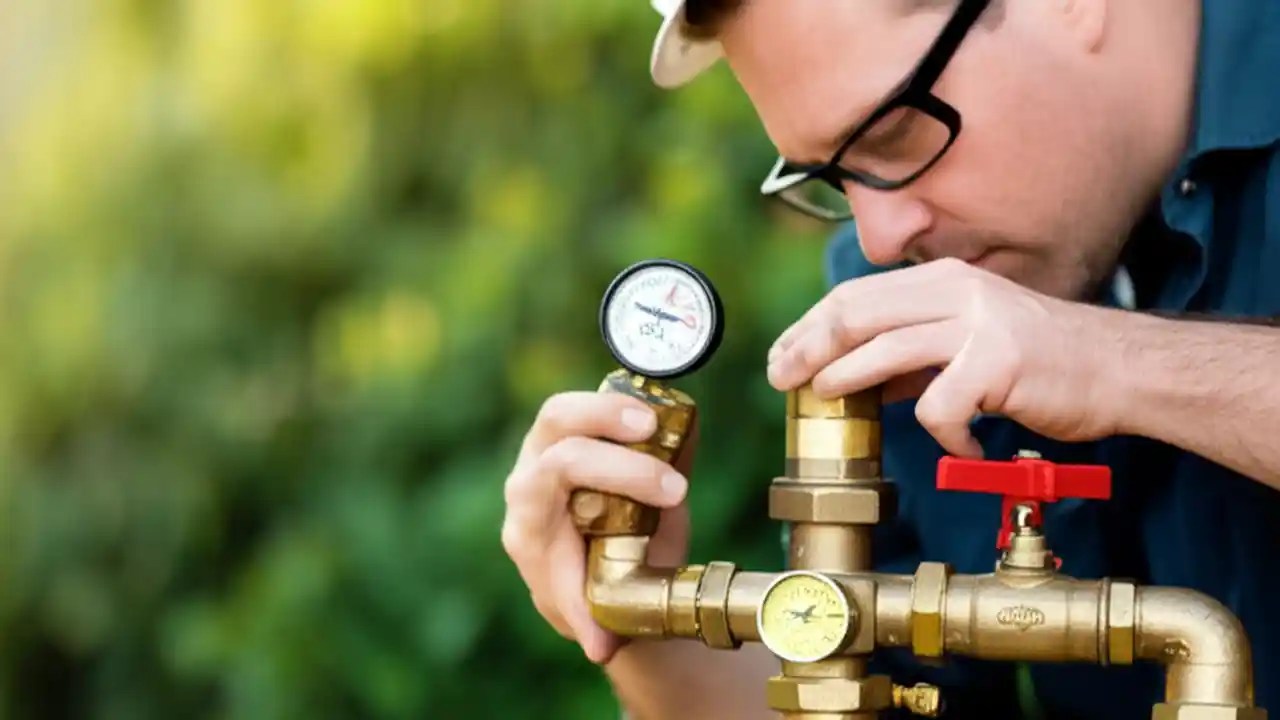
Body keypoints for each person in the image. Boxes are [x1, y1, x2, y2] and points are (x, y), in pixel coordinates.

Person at [501, 0, 1280, 716]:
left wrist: (1114, 363)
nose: (880, 239)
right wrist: (638, 622)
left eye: (895, 133)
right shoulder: (914, 289)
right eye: (833, 177)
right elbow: (894, 695)